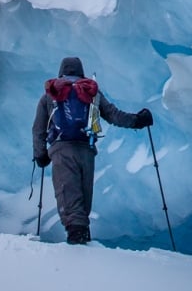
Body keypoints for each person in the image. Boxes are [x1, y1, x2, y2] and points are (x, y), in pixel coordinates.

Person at [32, 56, 153, 244]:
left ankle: (77, 244)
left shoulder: (51, 94)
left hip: (62, 150)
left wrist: (40, 154)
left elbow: (38, 129)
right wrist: (138, 120)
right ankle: (83, 237)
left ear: (61, 72)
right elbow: (113, 115)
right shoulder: (90, 91)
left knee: (69, 194)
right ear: (81, 71)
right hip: (86, 149)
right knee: (83, 194)